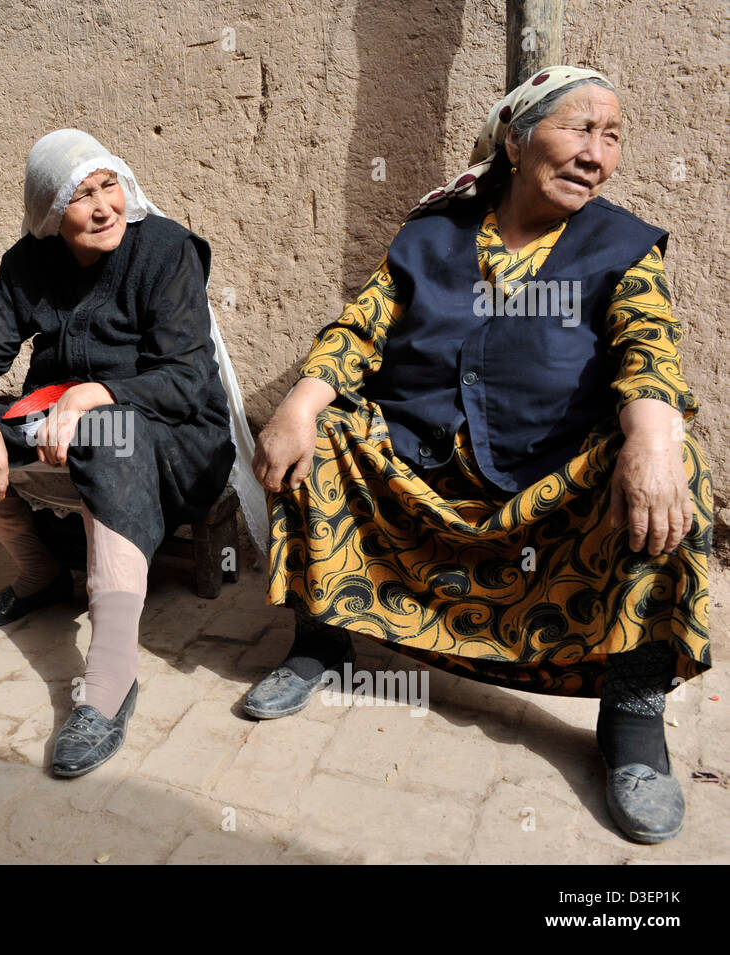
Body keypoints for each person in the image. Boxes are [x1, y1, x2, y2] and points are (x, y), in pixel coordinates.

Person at [249, 67, 711, 844]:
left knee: (673, 466)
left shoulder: (620, 247)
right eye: (578, 130)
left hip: (544, 493)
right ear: (516, 141)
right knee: (318, 429)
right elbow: (359, 331)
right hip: (419, 474)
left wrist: (655, 435)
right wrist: (300, 399)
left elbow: (648, 349)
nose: (596, 155)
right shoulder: (434, 234)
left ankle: (632, 721)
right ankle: (320, 642)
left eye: (612, 136)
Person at [0, 129, 251, 778]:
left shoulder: (166, 250)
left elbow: (187, 378)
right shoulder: (28, 264)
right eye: (81, 195)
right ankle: (40, 573)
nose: (103, 207)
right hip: (58, 420)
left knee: (106, 433)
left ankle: (111, 678)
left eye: (108, 185)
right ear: (48, 213)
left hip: (172, 434)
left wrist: (98, 392)